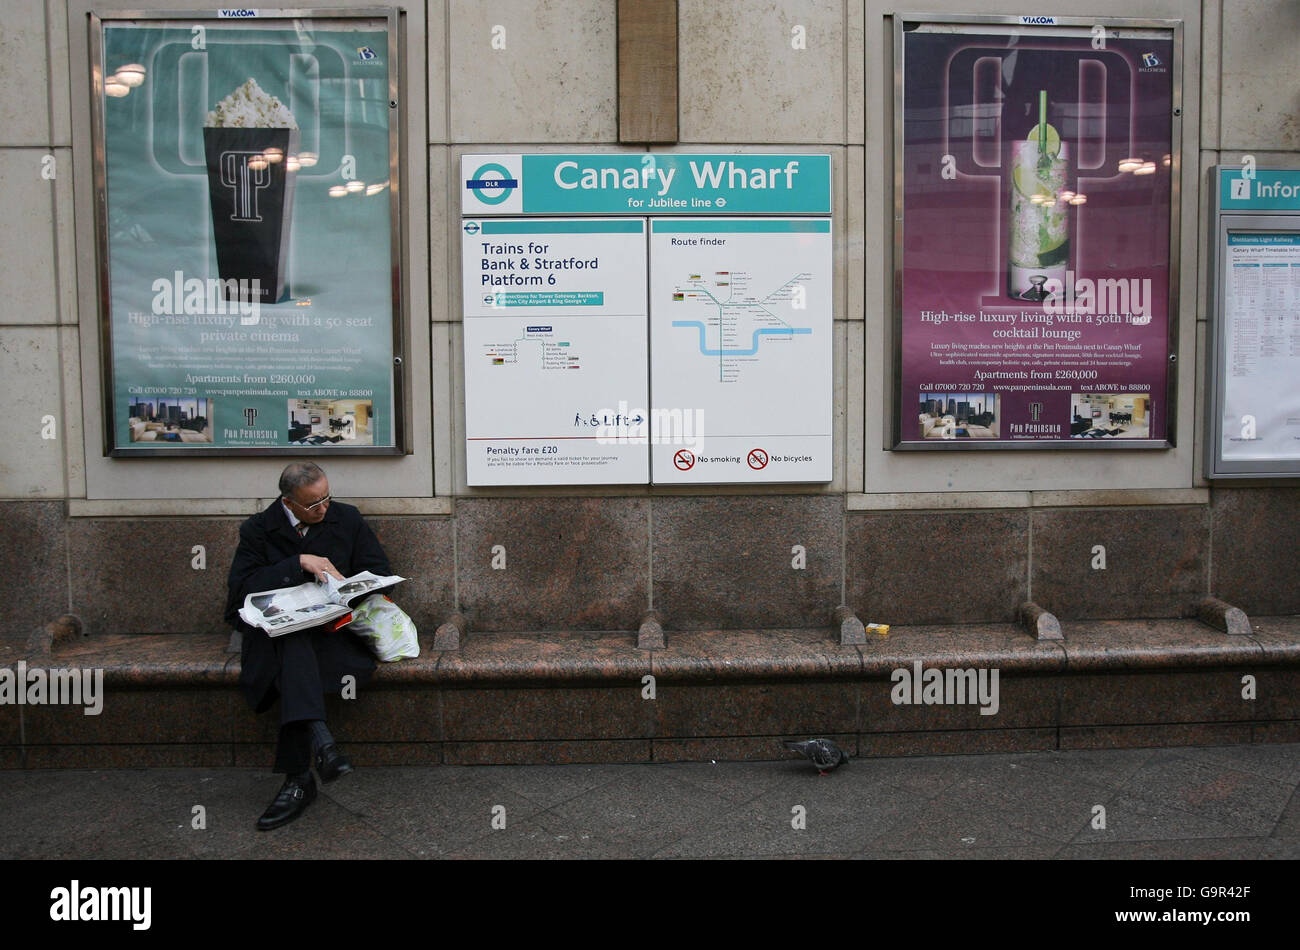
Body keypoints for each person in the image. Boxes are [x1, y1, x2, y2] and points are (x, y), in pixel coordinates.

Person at [225, 461, 391, 830]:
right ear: (288, 502)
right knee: (291, 642)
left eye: (327, 497)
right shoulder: (257, 530)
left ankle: (300, 777)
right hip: (276, 637)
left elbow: (381, 575)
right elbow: (239, 592)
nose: (324, 508)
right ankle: (320, 749)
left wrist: (348, 588)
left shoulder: (346, 519)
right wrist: (297, 562)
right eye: (314, 503)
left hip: (334, 635)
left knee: (293, 655)